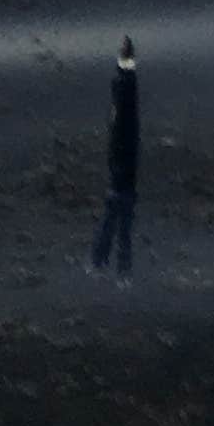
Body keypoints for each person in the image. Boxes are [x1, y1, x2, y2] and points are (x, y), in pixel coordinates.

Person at [88, 37, 139, 275]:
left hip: (120, 173)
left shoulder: (119, 104)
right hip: (125, 174)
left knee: (112, 223)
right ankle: (121, 270)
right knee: (122, 226)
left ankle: (101, 263)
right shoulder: (126, 103)